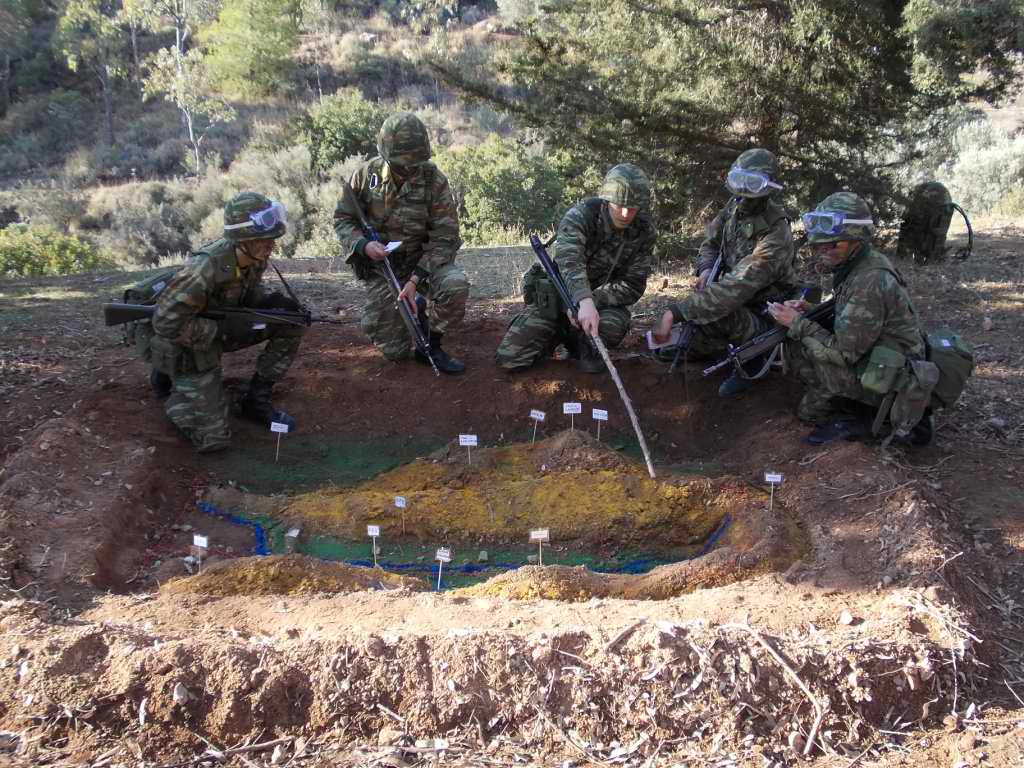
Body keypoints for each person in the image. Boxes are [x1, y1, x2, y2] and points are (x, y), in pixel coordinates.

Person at [767, 192, 934, 446]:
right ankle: (855, 406)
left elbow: (844, 355)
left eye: (834, 244)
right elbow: (854, 317)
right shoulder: (862, 263)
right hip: (882, 360)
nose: (825, 250)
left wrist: (797, 323)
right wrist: (808, 308)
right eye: (822, 245)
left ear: (857, 238)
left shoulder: (869, 280)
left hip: (891, 379)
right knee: (803, 340)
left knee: (805, 392)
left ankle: (869, 415)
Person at [144, 192, 305, 453]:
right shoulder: (204, 269)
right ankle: (169, 380)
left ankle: (256, 401)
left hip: (221, 330)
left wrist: (270, 302)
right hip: (187, 343)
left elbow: (245, 292)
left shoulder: (254, 257)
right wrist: (222, 330)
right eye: (263, 239)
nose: (271, 244)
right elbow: (165, 322)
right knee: (213, 438)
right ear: (242, 239)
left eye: (272, 238)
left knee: (290, 322)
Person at [650, 148, 800, 397]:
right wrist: (706, 269)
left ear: (768, 187)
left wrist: (674, 312)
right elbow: (710, 243)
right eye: (738, 180)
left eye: (752, 183)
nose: (743, 190)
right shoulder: (735, 207)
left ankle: (755, 358)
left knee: (712, 313)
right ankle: (720, 348)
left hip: (765, 314)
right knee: (691, 332)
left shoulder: (776, 231)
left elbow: (735, 288)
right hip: (733, 302)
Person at [333, 112, 468, 374]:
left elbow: (445, 236)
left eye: (414, 162)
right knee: (395, 352)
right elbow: (343, 219)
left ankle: (431, 345)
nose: (408, 169)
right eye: (401, 163)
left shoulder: (434, 180)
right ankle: (405, 311)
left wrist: (415, 279)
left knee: (455, 285)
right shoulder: (365, 176)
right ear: (385, 154)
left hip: (423, 263)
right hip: (383, 267)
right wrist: (363, 245)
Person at [495, 163, 657, 373]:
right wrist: (582, 301)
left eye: (632, 207)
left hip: (600, 307)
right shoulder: (581, 215)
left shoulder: (644, 232)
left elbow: (633, 284)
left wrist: (593, 301)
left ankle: (581, 346)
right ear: (607, 199)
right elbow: (570, 262)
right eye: (619, 205)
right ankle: (551, 336)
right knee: (511, 357)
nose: (625, 213)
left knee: (612, 327)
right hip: (558, 301)